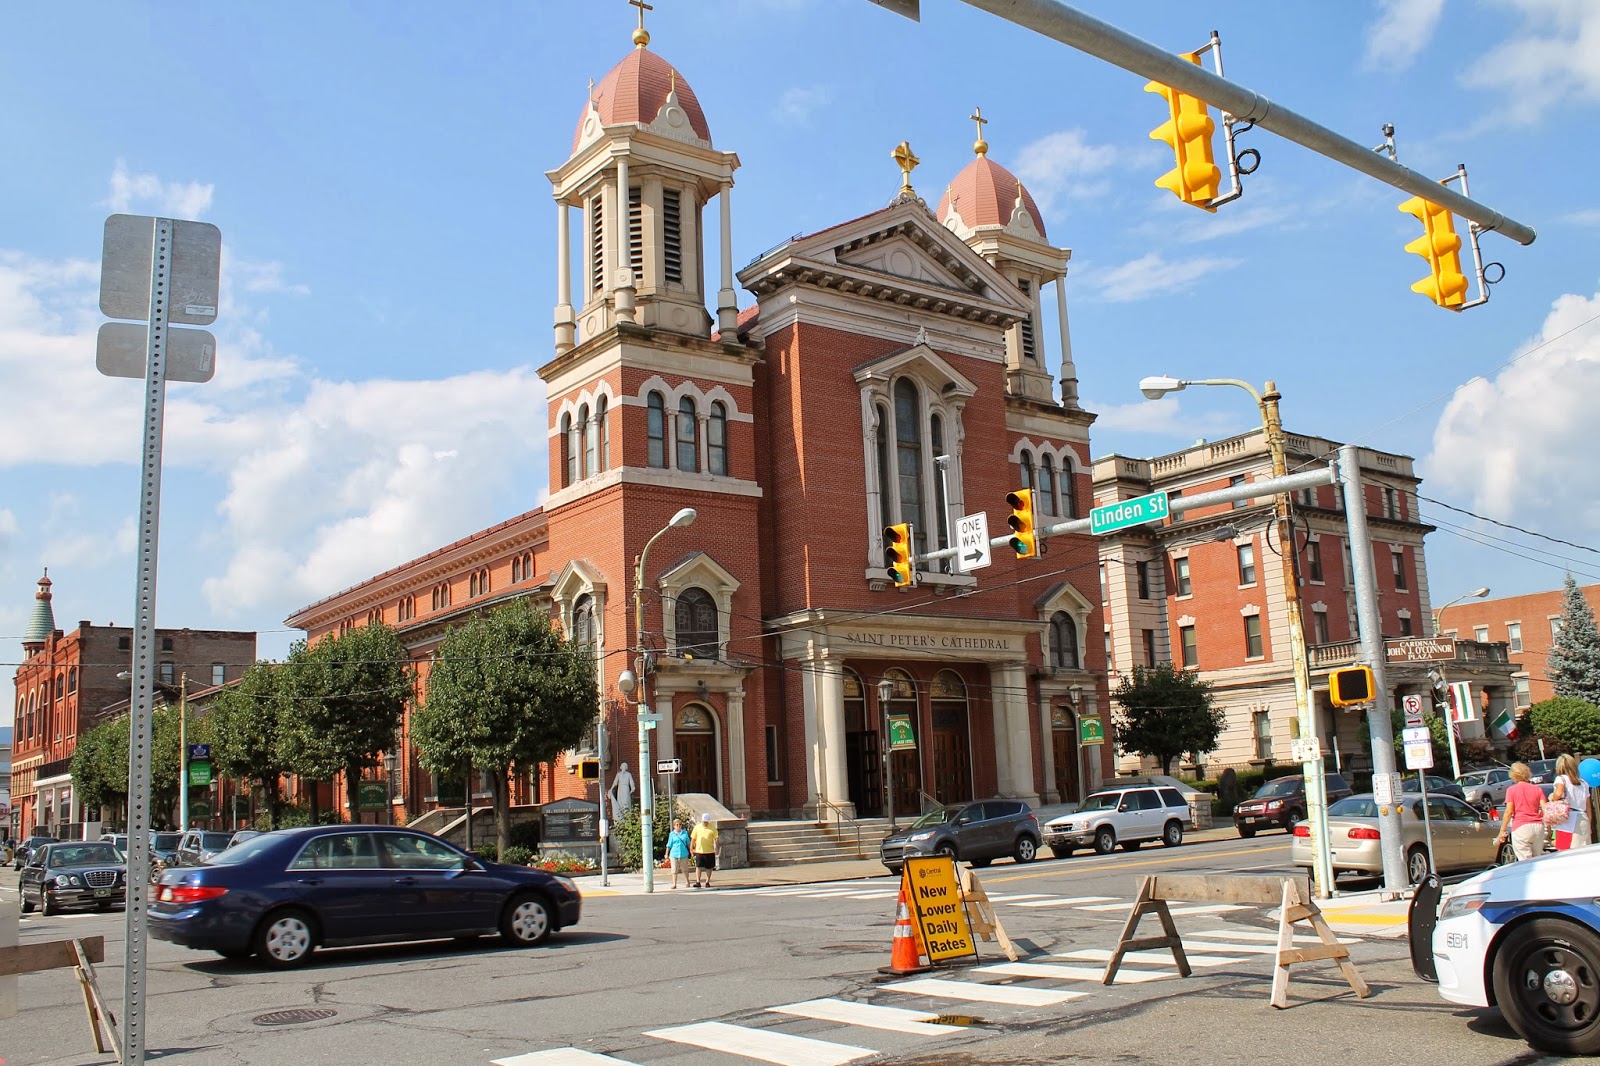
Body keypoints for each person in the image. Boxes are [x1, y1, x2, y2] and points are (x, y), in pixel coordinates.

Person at [1497, 761, 1548, 861]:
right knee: (1538, 859)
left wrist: (1502, 831)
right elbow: (1545, 808)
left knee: (1525, 861)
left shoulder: (1511, 790)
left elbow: (1509, 811)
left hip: (1521, 826)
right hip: (1538, 826)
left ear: (1513, 775)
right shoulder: (1537, 789)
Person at [1550, 753, 1591, 850]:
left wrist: (1552, 797)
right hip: (1583, 818)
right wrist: (1589, 823)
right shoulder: (1583, 783)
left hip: (1567, 820)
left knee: (1565, 851)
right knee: (1585, 850)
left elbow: (1559, 793)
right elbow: (1588, 806)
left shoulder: (1561, 779)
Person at [689, 812, 719, 889]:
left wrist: (717, 848)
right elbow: (693, 839)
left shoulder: (712, 828)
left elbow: (716, 839)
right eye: (704, 821)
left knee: (709, 867)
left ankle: (707, 881)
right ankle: (698, 881)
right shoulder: (697, 827)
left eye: (706, 821)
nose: (705, 823)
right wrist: (691, 848)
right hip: (699, 851)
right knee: (698, 866)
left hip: (709, 851)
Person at [665, 818, 691, 889]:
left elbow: (688, 843)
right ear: (674, 826)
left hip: (683, 853)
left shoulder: (685, 833)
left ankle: (687, 881)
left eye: (680, 825)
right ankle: (674, 883)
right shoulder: (672, 834)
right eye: (677, 825)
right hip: (674, 853)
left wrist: (691, 851)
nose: (679, 826)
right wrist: (666, 854)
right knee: (674, 869)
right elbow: (669, 845)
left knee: (685, 869)